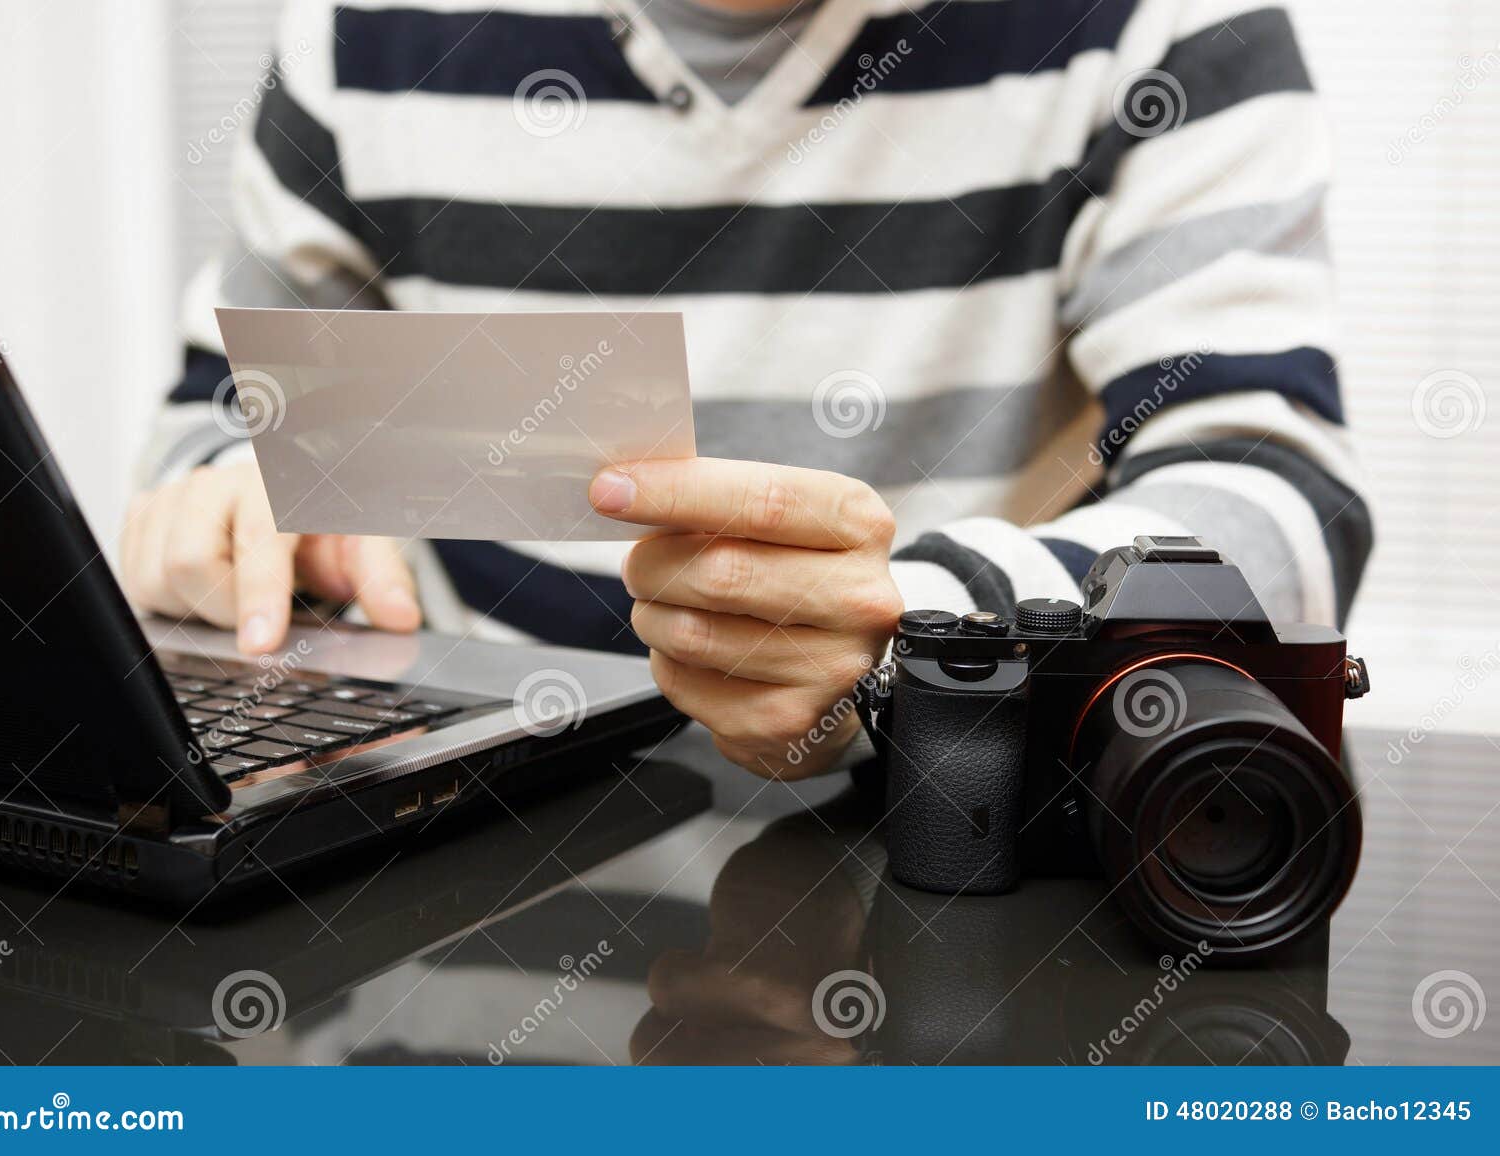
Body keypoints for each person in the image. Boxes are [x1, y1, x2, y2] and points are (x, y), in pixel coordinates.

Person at [124, 0, 1372, 780]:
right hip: (449, 853)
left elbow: (1279, 509)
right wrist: (227, 509)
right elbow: (224, 422)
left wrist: (917, 627)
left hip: (929, 837)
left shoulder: (1159, 24)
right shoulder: (360, 32)